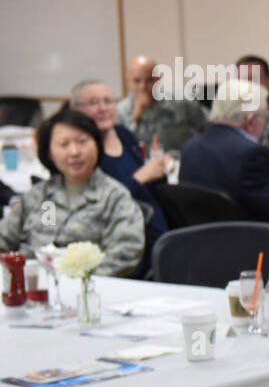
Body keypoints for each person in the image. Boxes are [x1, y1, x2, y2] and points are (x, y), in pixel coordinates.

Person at [0, 108, 144, 276]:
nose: (75, 152)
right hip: (28, 286)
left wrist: (78, 281)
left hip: (85, 288)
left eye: (82, 141)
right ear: (49, 153)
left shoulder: (115, 197)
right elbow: (4, 238)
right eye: (64, 144)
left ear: (97, 145)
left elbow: (126, 254)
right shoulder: (39, 195)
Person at [180, 79, 269, 227]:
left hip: (198, 242)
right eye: (265, 117)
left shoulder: (191, 148)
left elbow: (238, 191)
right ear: (250, 121)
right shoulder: (251, 156)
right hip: (253, 243)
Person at [69, 79, 168, 275]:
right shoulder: (78, 154)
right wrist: (139, 178)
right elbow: (93, 204)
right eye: (93, 103)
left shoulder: (124, 135)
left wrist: (159, 169)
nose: (103, 108)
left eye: (108, 101)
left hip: (155, 228)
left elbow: (149, 183)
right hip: (120, 239)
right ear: (75, 109)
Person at [115, 55, 208, 152]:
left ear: (158, 78)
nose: (143, 87)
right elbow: (120, 149)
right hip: (141, 166)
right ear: (127, 81)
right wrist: (135, 118)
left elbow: (209, 126)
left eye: (149, 80)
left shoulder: (179, 102)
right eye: (137, 81)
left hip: (181, 162)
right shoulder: (119, 112)